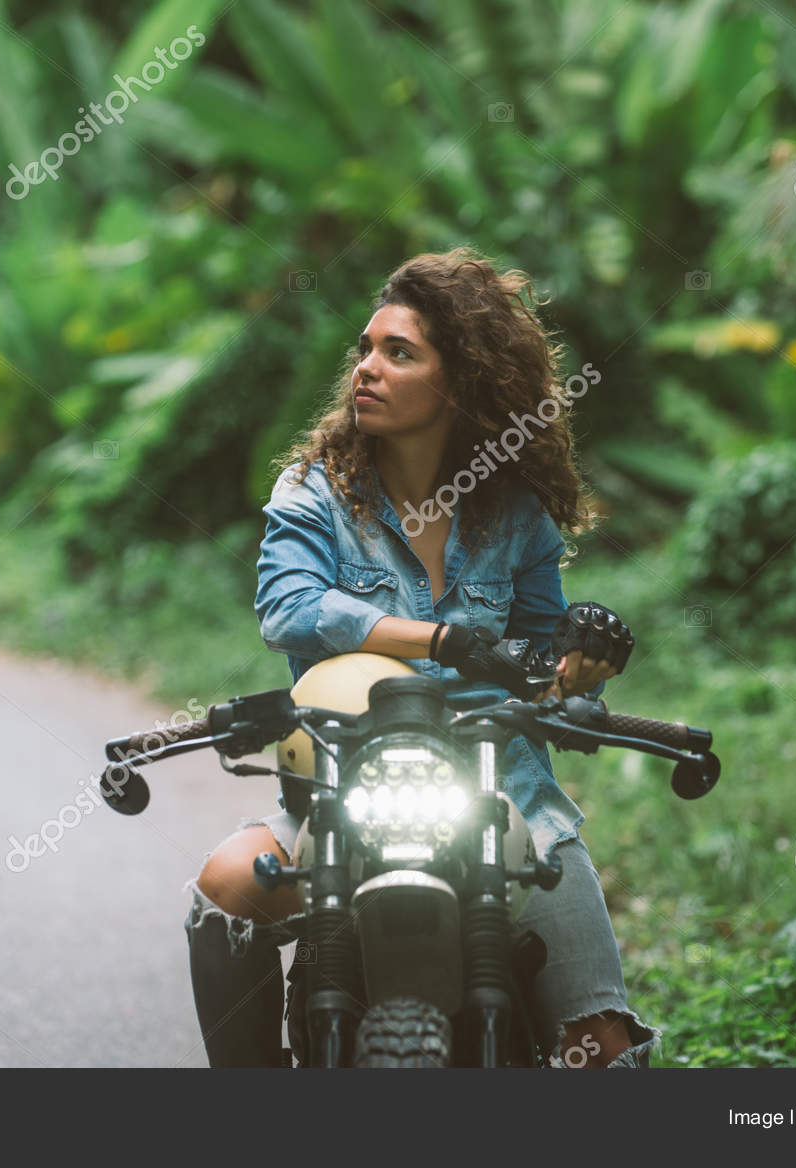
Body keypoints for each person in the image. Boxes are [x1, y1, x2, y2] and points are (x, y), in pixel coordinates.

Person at [184, 246, 658, 1068]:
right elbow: (291, 608)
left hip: (496, 791)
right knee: (225, 887)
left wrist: (575, 666)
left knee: (603, 1046)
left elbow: (536, 657)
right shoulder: (315, 491)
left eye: (399, 353)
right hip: (344, 785)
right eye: (366, 349)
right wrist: (443, 640)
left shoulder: (516, 514)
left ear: (462, 380)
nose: (367, 368)